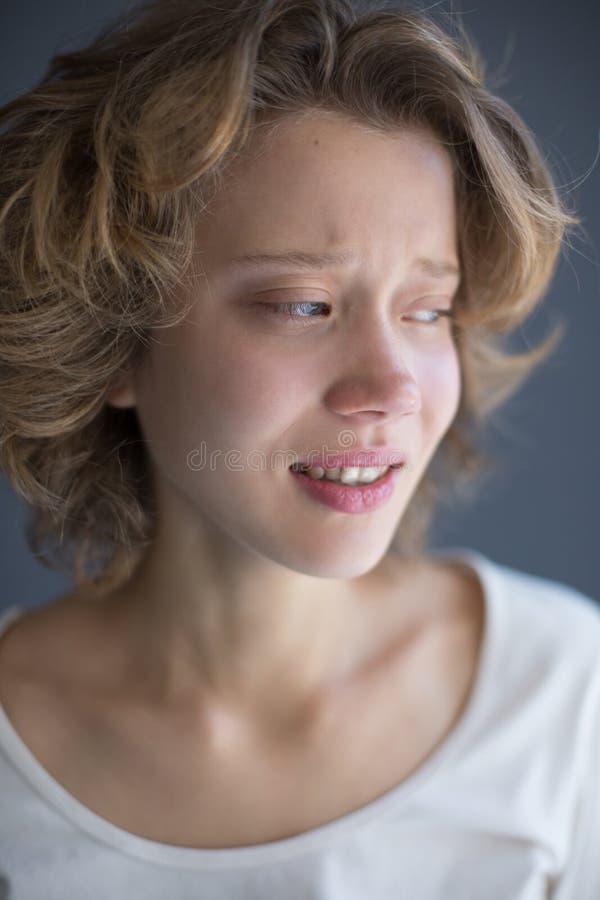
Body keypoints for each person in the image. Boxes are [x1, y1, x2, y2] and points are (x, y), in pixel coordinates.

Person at [0, 0, 598, 897]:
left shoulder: (568, 700)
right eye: (302, 305)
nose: (393, 388)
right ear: (116, 338)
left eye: (425, 310)